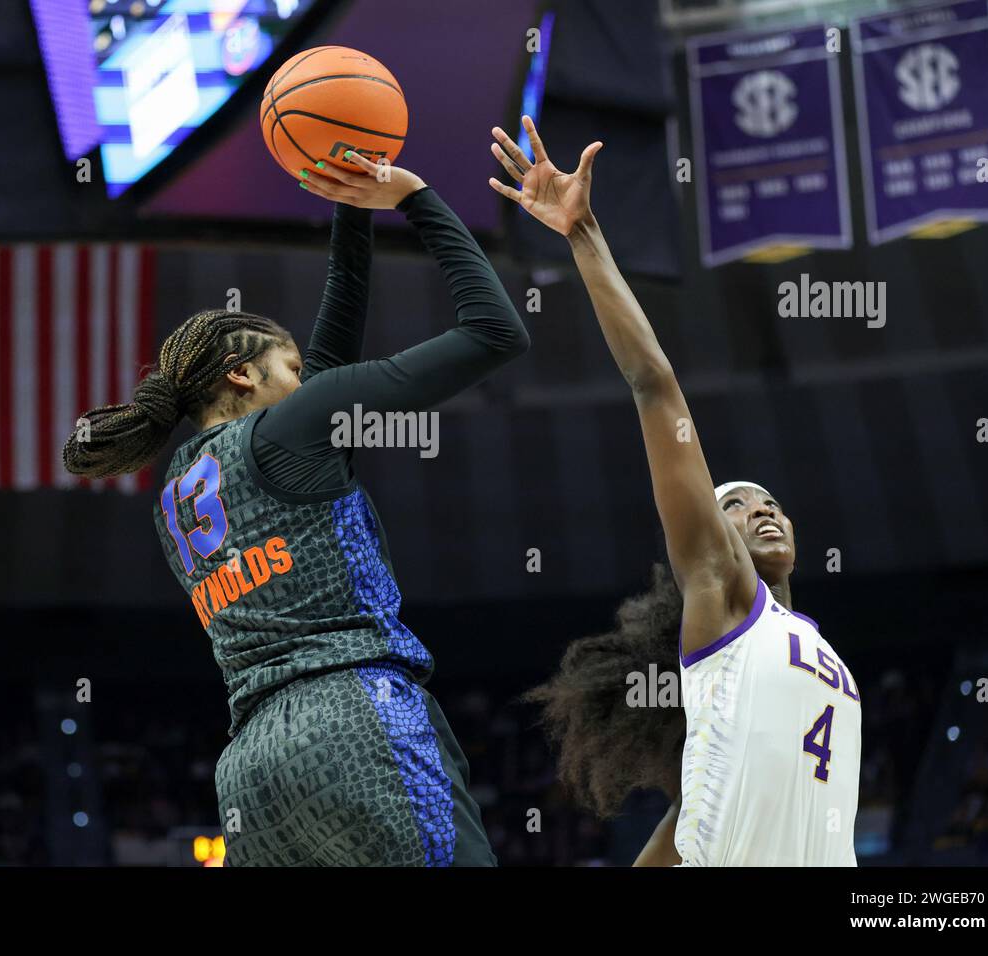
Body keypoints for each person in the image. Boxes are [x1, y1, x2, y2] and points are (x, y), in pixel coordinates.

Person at [64, 151, 528, 866]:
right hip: (355, 717)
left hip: (252, 771)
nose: (307, 376)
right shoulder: (295, 425)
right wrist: (418, 197)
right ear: (243, 375)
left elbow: (338, 318)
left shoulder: (176, 492)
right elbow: (498, 331)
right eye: (292, 368)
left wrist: (351, 207)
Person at [498, 116, 861, 866]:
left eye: (768, 500)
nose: (759, 508)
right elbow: (653, 383)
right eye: (734, 504)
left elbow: (676, 839)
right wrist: (584, 237)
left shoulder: (799, 645)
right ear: (710, 536)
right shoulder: (723, 591)